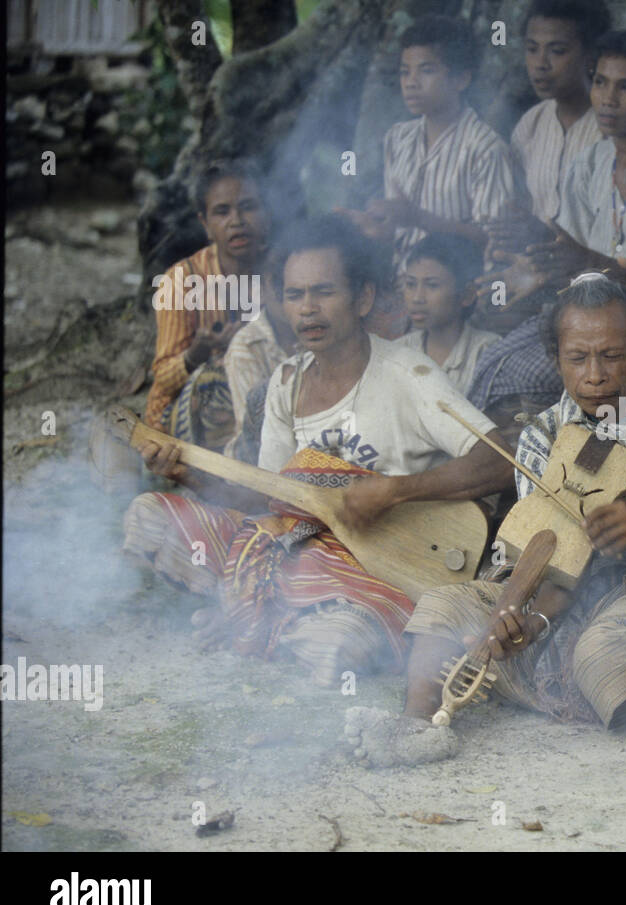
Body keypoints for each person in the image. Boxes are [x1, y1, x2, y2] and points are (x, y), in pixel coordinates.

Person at [344, 275, 626, 767]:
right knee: (446, 604)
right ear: (556, 358)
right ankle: (416, 727)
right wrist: (520, 612)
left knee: (604, 657)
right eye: (577, 358)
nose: (594, 376)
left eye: (612, 356)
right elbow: (556, 561)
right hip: (574, 592)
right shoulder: (542, 437)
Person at [122, 218, 515, 687]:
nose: (308, 309)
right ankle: (270, 613)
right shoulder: (285, 383)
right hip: (296, 550)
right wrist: (187, 474)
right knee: (150, 517)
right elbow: (270, 505)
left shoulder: (409, 374)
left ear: (363, 298)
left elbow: (501, 459)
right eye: (295, 295)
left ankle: (256, 612)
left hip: (380, 567)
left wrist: (395, 491)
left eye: (324, 292)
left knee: (339, 642)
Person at [467, 30, 626, 421]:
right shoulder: (592, 161)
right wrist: (535, 264)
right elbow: (569, 249)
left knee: (529, 377)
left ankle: (532, 468)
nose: (608, 99)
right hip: (586, 315)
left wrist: (582, 261)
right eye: (600, 82)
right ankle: (510, 469)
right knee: (491, 358)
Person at [340, 15, 521, 262]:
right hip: (406, 286)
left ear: (461, 79)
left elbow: (494, 242)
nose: (411, 83)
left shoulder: (485, 149)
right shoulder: (398, 138)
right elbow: (398, 231)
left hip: (460, 291)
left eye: (426, 70)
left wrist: (419, 218)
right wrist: (369, 226)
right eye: (405, 72)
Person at [145, 160, 271, 447]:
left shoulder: (285, 270)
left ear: (267, 214)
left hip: (262, 396)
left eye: (248, 207)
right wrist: (195, 354)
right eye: (222, 212)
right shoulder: (181, 280)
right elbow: (163, 379)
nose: (237, 220)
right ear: (206, 224)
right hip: (184, 418)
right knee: (214, 383)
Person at [501, 0, 611, 231]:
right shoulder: (531, 124)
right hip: (533, 264)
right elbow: (518, 206)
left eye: (557, 51)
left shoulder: (615, 128)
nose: (540, 64)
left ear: (591, 57)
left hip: (599, 265)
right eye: (532, 49)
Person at [395, 234, 500, 395]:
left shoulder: (489, 352)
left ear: (467, 295)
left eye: (432, 285)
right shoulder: (398, 352)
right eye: (410, 284)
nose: (417, 298)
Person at [222, 266, 297, 462]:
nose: (286, 293)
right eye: (278, 285)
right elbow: (258, 431)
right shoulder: (246, 346)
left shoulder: (321, 334)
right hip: (258, 457)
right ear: (260, 291)